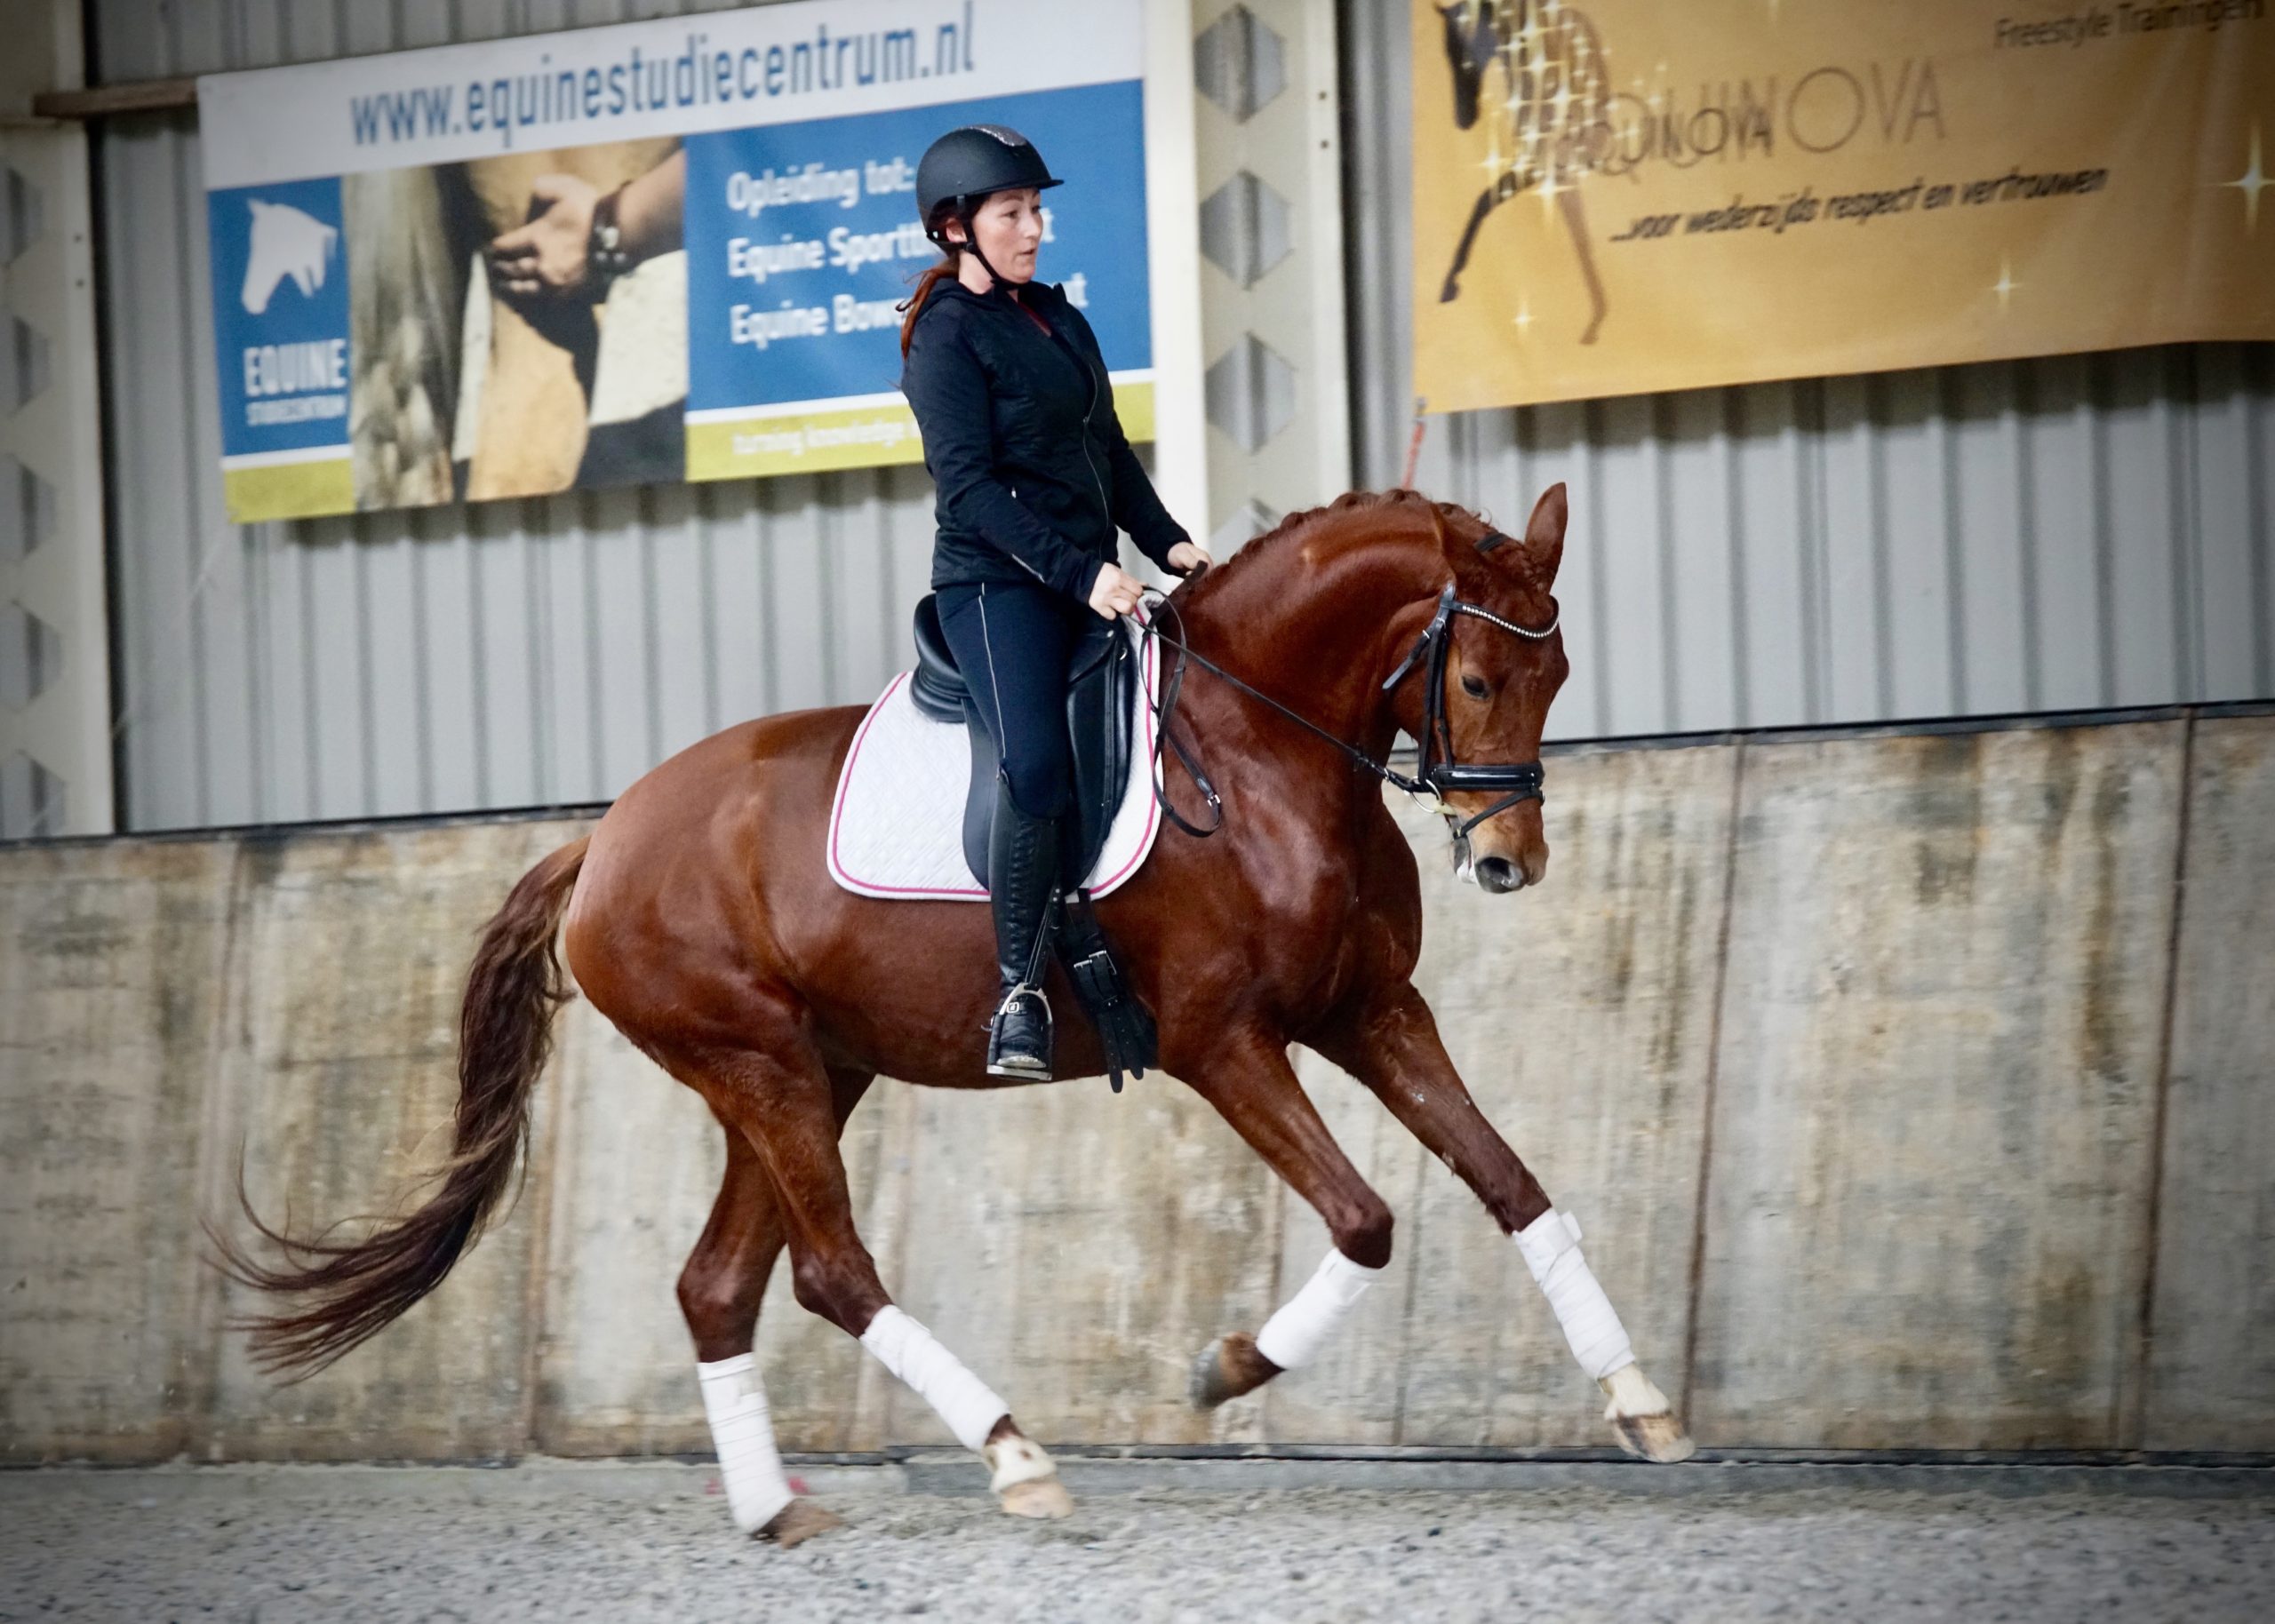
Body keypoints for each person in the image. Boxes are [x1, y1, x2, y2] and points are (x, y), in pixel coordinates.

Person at [898, 123, 1210, 1082]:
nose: (1034, 228)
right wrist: (1082, 576)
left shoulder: (1057, 316)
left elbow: (1106, 449)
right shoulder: (944, 337)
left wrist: (1170, 542)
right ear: (956, 227)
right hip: (997, 590)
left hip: (1089, 576)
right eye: (1013, 212)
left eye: (1036, 210)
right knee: (1035, 765)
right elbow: (970, 493)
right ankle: (1019, 994)